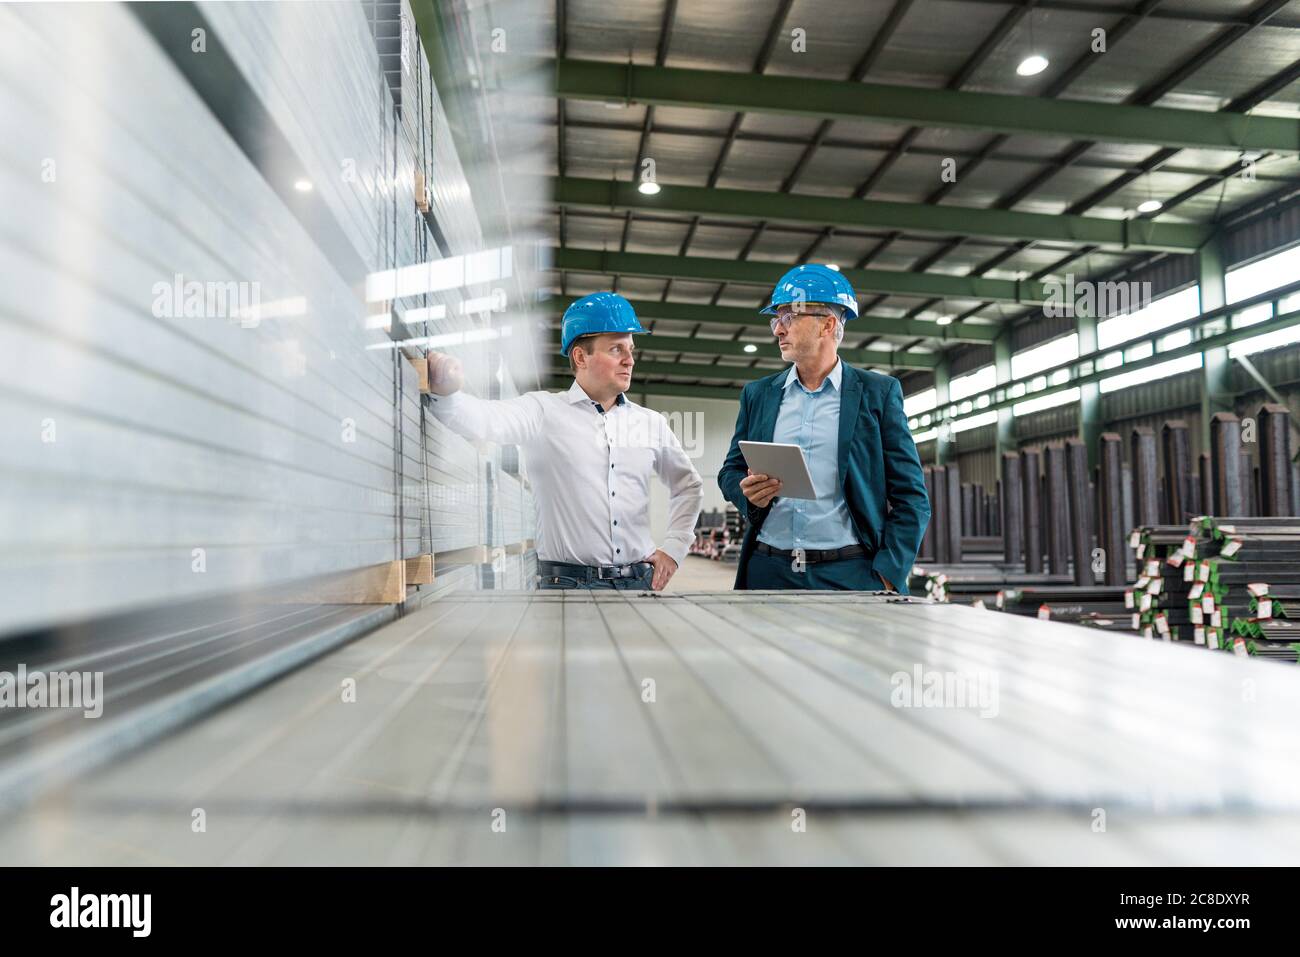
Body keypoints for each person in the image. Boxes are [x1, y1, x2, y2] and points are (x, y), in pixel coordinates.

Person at [425, 292, 703, 591]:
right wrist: (447, 393)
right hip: (567, 584)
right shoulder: (543, 411)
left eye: (631, 349)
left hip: (638, 581)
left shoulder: (650, 423)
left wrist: (674, 550)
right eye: (616, 349)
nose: (629, 360)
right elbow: (487, 419)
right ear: (581, 357)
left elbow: (688, 486)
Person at [718, 265, 930, 592]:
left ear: (827, 325)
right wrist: (747, 495)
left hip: (850, 574)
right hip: (767, 570)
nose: (777, 329)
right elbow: (730, 470)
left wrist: (888, 572)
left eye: (789, 317)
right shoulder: (758, 395)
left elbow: (912, 496)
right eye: (776, 319)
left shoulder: (878, 393)